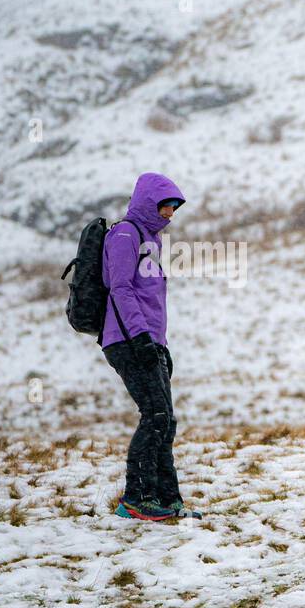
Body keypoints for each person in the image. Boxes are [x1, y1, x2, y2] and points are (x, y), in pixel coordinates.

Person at [102, 172, 196, 521]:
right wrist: (141, 339)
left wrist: (160, 345)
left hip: (149, 341)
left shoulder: (151, 240)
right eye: (166, 206)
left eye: (173, 208)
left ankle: (168, 500)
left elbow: (150, 299)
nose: (170, 214)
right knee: (155, 416)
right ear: (148, 203)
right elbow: (121, 289)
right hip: (128, 340)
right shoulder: (124, 234)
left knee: (165, 420)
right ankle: (135, 500)